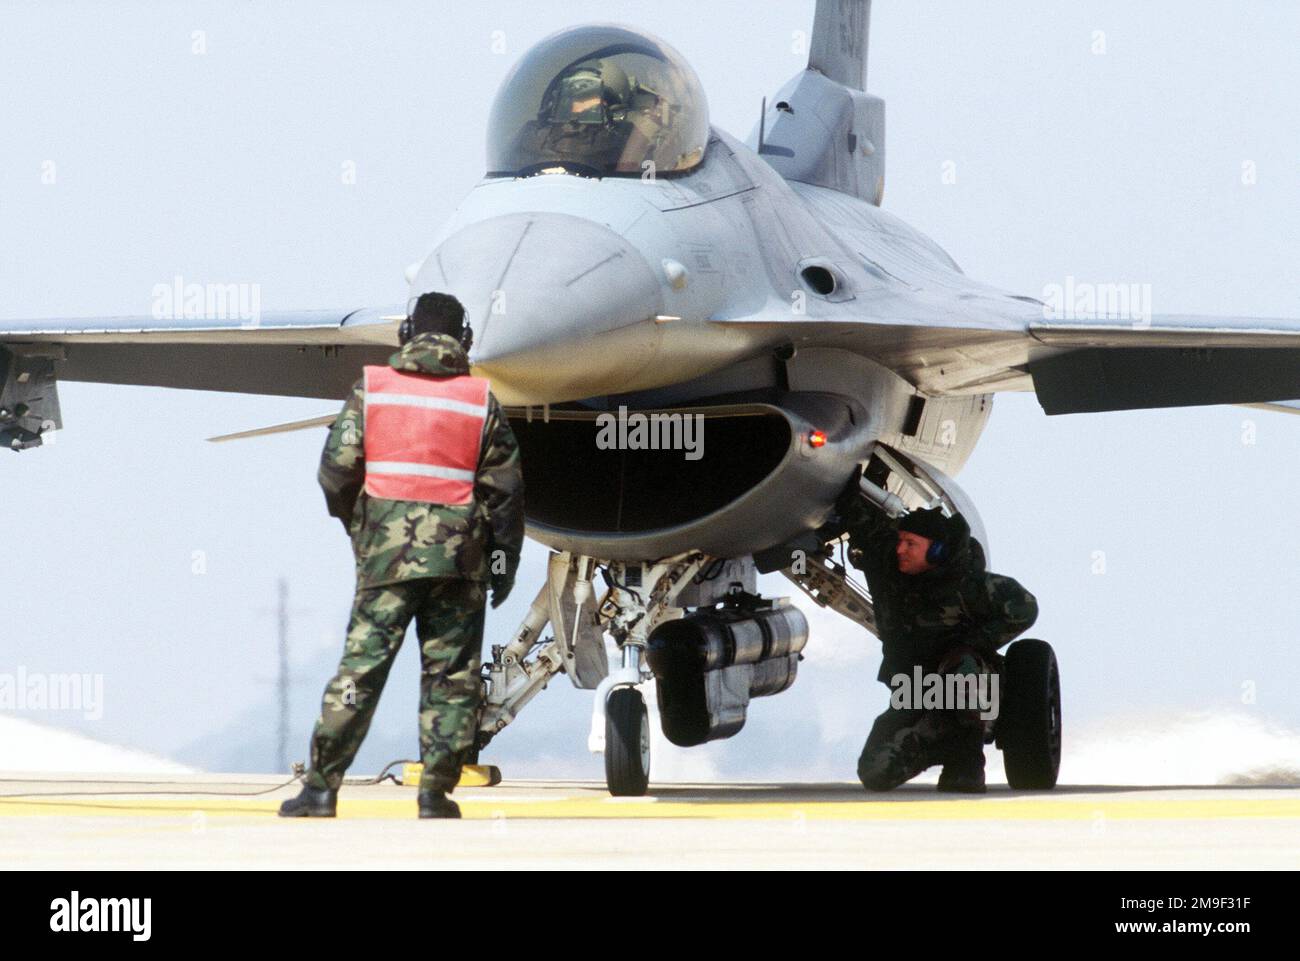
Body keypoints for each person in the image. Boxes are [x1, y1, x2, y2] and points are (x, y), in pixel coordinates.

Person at [279, 292, 524, 819]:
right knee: (451, 678)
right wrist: (502, 568)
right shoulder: (480, 400)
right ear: (465, 340)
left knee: (359, 674)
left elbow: (335, 471)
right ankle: (436, 796)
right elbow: (505, 497)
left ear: (405, 334)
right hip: (460, 565)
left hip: (384, 564)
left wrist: (363, 529)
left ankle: (321, 790)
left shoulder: (372, 391)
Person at [833, 481, 1038, 793]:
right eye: (900, 541)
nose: (900, 549)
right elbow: (867, 531)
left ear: (937, 550)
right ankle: (939, 742)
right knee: (875, 773)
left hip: (971, 686)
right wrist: (842, 486)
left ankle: (967, 760)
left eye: (910, 543)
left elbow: (1025, 608)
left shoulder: (971, 585)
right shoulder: (891, 573)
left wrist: (974, 642)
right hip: (916, 693)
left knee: (962, 666)